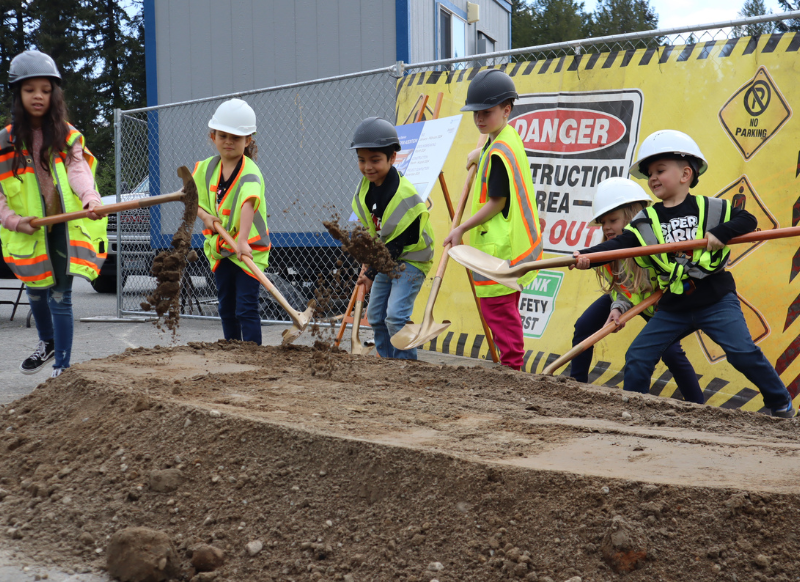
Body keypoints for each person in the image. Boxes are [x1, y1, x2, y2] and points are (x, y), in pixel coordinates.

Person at [572, 130, 795, 418]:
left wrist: (721, 232)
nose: (652, 178)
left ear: (685, 174)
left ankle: (780, 403)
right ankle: (632, 412)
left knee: (742, 352)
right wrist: (587, 256)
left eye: (660, 170)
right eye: (649, 173)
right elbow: (619, 244)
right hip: (673, 307)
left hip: (715, 300)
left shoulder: (711, 208)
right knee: (638, 356)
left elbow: (748, 219)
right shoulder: (646, 220)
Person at [0, 50, 107, 378]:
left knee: (61, 296)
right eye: (31, 89)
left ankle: (63, 367)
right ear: (18, 93)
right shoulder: (5, 141)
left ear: (54, 94)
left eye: (46, 91)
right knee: (35, 291)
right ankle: (46, 343)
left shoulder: (66, 134)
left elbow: (78, 170)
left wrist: (89, 197)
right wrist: (15, 221)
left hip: (61, 225)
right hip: (28, 229)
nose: (38, 97)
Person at [570, 177, 704, 404]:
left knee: (670, 352)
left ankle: (697, 403)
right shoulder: (610, 252)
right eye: (603, 222)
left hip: (663, 302)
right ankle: (575, 387)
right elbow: (621, 287)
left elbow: (681, 271)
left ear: (632, 217)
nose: (606, 228)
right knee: (584, 326)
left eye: (612, 220)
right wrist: (618, 307)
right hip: (631, 296)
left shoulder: (656, 241)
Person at [442, 69, 542, 371]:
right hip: (506, 246)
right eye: (476, 114)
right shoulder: (504, 139)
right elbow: (493, 152)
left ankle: (512, 368)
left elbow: (498, 202)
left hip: (498, 248)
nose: (480, 120)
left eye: (486, 113)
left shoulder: (498, 151)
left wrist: (461, 227)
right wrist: (479, 153)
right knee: (501, 310)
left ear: (506, 109)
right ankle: (510, 364)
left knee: (498, 310)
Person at [350, 117, 435, 360]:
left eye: (375, 160)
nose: (368, 167)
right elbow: (372, 232)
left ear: (392, 158)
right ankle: (387, 364)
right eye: (362, 160)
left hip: (412, 259)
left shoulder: (403, 195)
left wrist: (369, 275)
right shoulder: (365, 189)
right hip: (385, 256)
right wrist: (367, 263)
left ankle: (406, 366)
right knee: (376, 316)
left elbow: (396, 247)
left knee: (395, 316)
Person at [195, 98, 270, 345]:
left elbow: (248, 203)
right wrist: (205, 216)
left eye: (236, 138)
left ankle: (252, 355)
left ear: (248, 141)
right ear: (213, 136)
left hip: (249, 249)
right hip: (222, 249)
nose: (229, 142)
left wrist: (241, 241)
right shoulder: (206, 168)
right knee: (226, 306)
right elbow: (191, 196)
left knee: (246, 307)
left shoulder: (250, 171)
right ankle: (232, 351)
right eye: (223, 135)